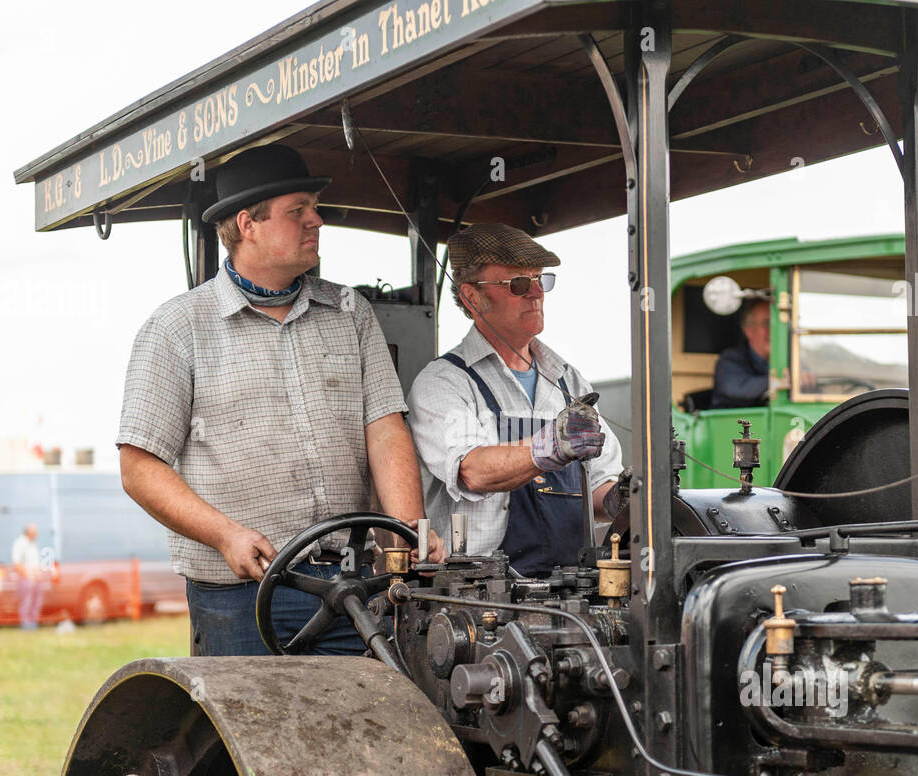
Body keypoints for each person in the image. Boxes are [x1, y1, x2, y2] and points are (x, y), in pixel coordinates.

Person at [117, 143, 444, 657]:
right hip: (243, 601)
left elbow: (384, 428)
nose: (316, 220)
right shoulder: (178, 328)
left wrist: (407, 536)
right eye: (298, 211)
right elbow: (138, 466)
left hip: (356, 589)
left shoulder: (349, 312)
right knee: (257, 739)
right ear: (248, 225)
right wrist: (225, 535)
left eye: (314, 208)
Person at [407, 223, 624, 576]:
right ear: (471, 296)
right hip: (481, 596)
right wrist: (550, 445)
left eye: (541, 279)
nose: (536, 293)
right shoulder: (445, 381)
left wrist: (620, 500)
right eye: (518, 284)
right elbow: (472, 470)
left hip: (571, 589)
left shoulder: (568, 380)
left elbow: (598, 484)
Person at [11, 524, 46, 630]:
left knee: (36, 602)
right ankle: (26, 626)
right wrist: (28, 576)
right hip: (26, 579)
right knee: (26, 602)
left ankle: (34, 624)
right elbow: (17, 564)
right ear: (29, 532)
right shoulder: (20, 543)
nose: (37, 534)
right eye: (35, 532)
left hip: (36, 579)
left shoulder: (33, 544)